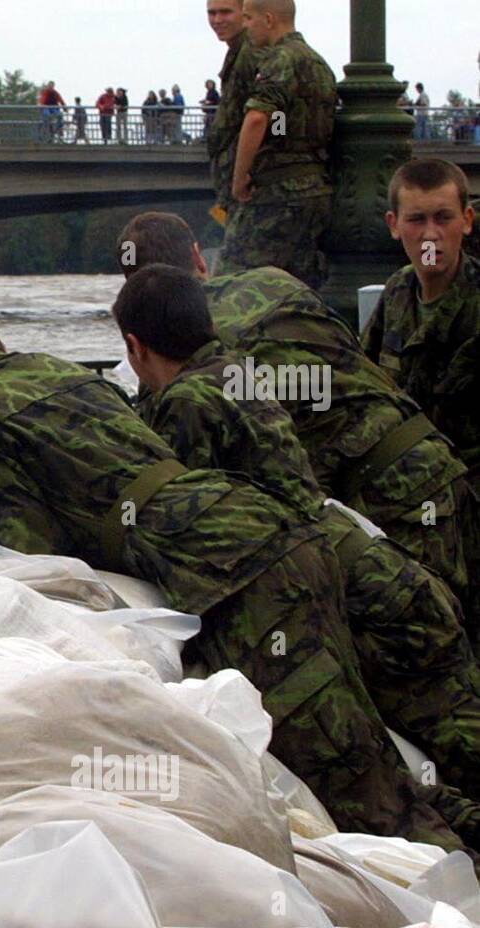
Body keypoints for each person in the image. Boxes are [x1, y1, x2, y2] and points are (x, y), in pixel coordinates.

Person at [0, 297, 476, 856]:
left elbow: (30, 549)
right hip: (265, 534)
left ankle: (451, 889)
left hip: (233, 570)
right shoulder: (58, 371)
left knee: (344, 775)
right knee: (362, 752)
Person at [121, 263, 480, 810]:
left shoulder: (187, 404)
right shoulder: (238, 371)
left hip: (359, 594)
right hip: (379, 570)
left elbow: (192, 529)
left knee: (404, 761)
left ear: (134, 347)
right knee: (447, 737)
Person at [117, 210, 477, 628]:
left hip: (381, 504)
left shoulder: (186, 358)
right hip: (435, 463)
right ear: (199, 257)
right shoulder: (274, 280)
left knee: (434, 647)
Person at [363, 158, 480, 574]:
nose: (431, 234)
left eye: (443, 218)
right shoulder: (397, 293)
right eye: (417, 220)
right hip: (402, 499)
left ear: (466, 221)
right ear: (394, 225)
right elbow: (366, 385)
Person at [219, 0, 337, 290]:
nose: (244, 26)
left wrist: (239, 178)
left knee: (231, 283)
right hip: (314, 189)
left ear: (268, 19)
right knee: (296, 287)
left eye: (248, 18)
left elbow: (258, 117)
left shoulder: (279, 59)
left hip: (275, 192)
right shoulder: (320, 64)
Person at [207, 0, 262, 220]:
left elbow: (271, 114)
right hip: (237, 180)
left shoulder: (251, 52)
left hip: (249, 184)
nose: (217, 20)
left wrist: (242, 175)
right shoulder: (238, 52)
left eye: (225, 12)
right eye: (211, 13)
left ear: (245, 13)